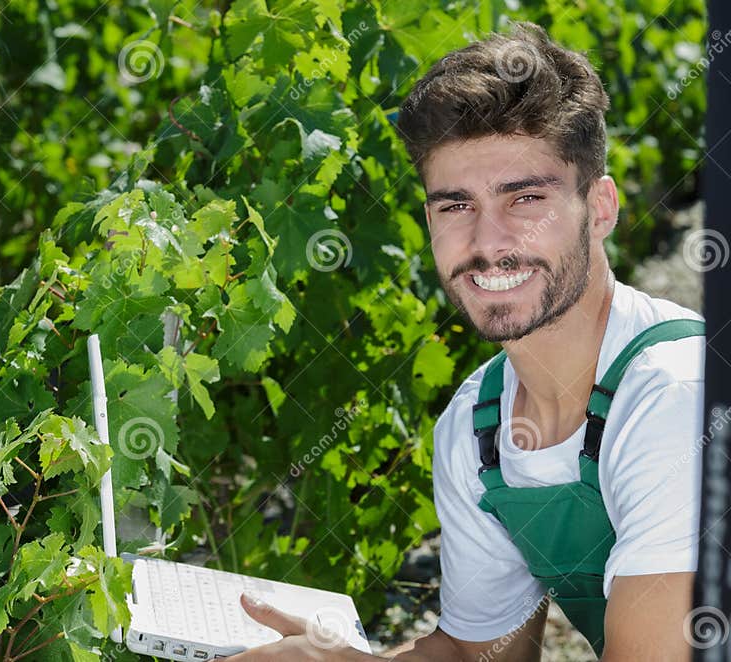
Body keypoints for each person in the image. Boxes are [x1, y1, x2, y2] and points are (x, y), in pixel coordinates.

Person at [229, 22, 704, 662]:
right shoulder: (477, 426)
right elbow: (479, 656)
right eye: (455, 206)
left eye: (525, 198)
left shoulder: (676, 397)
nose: (487, 241)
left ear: (600, 208)